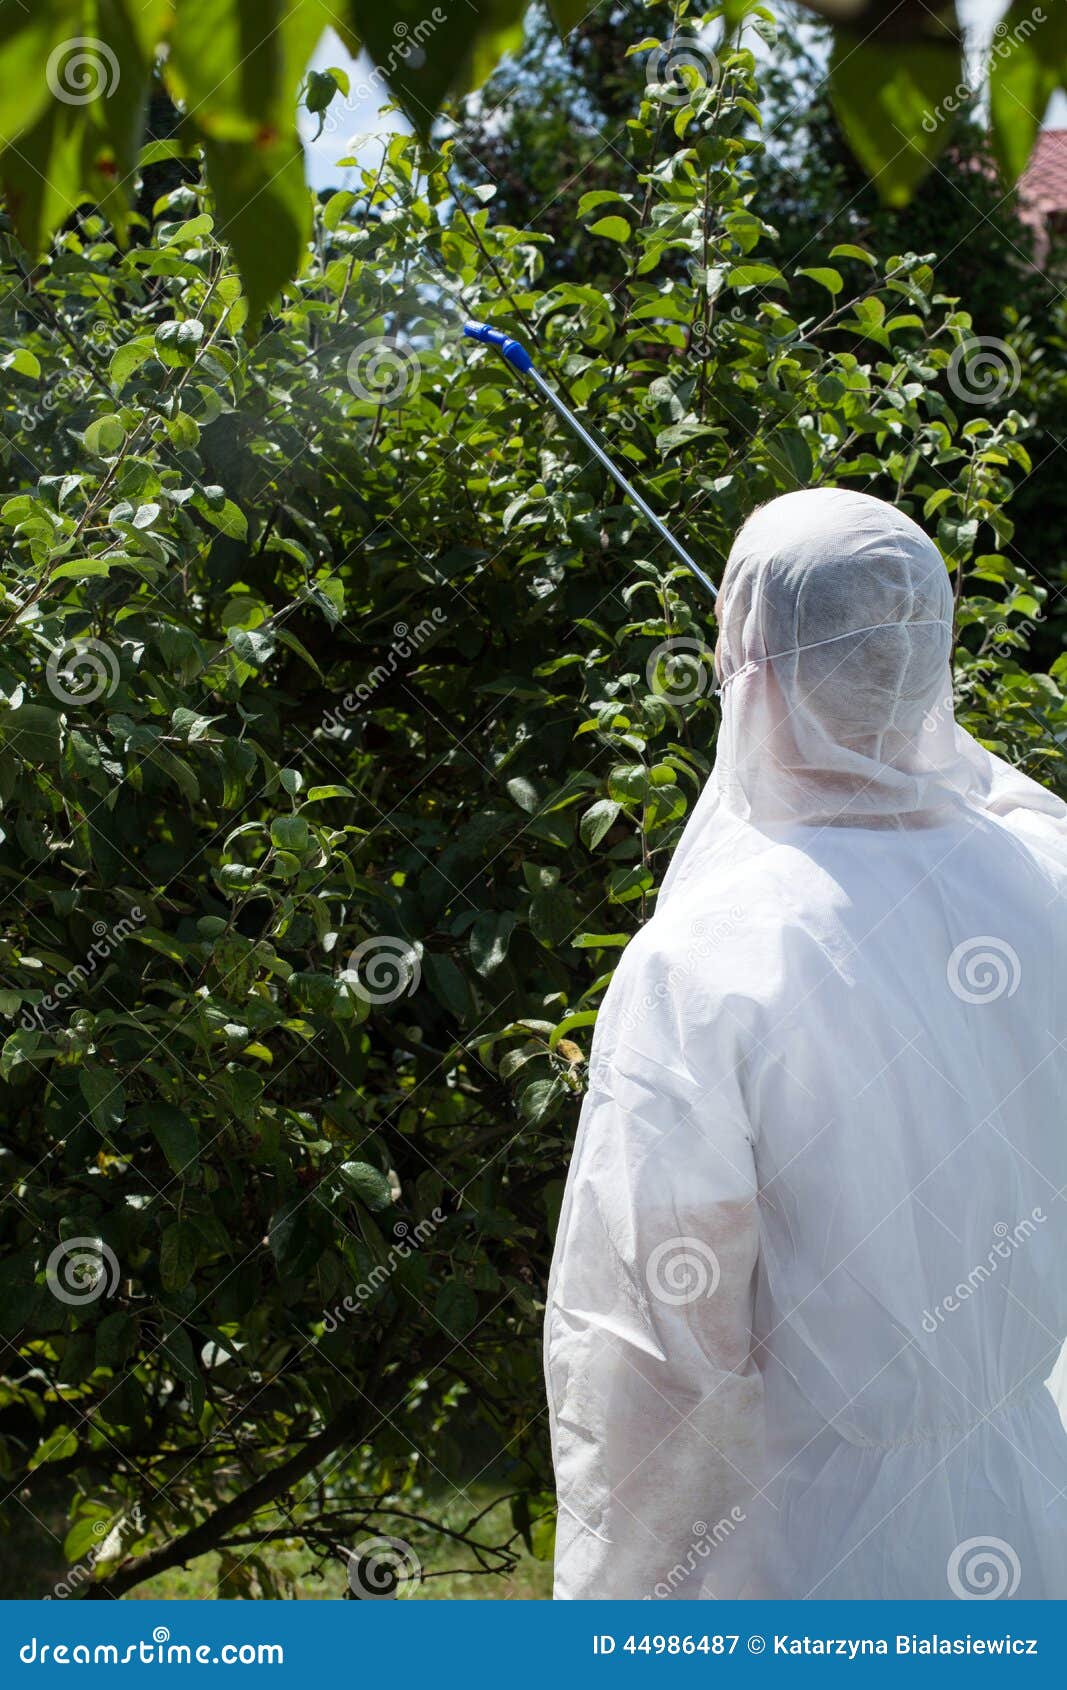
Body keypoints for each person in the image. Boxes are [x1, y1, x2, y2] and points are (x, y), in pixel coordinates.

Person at [543, 488, 1067, 1600]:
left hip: (803, 1554)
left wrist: (615, 1601)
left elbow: (658, 1349)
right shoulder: (1036, 885)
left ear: (746, 661)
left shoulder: (703, 962)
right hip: (1021, 1506)